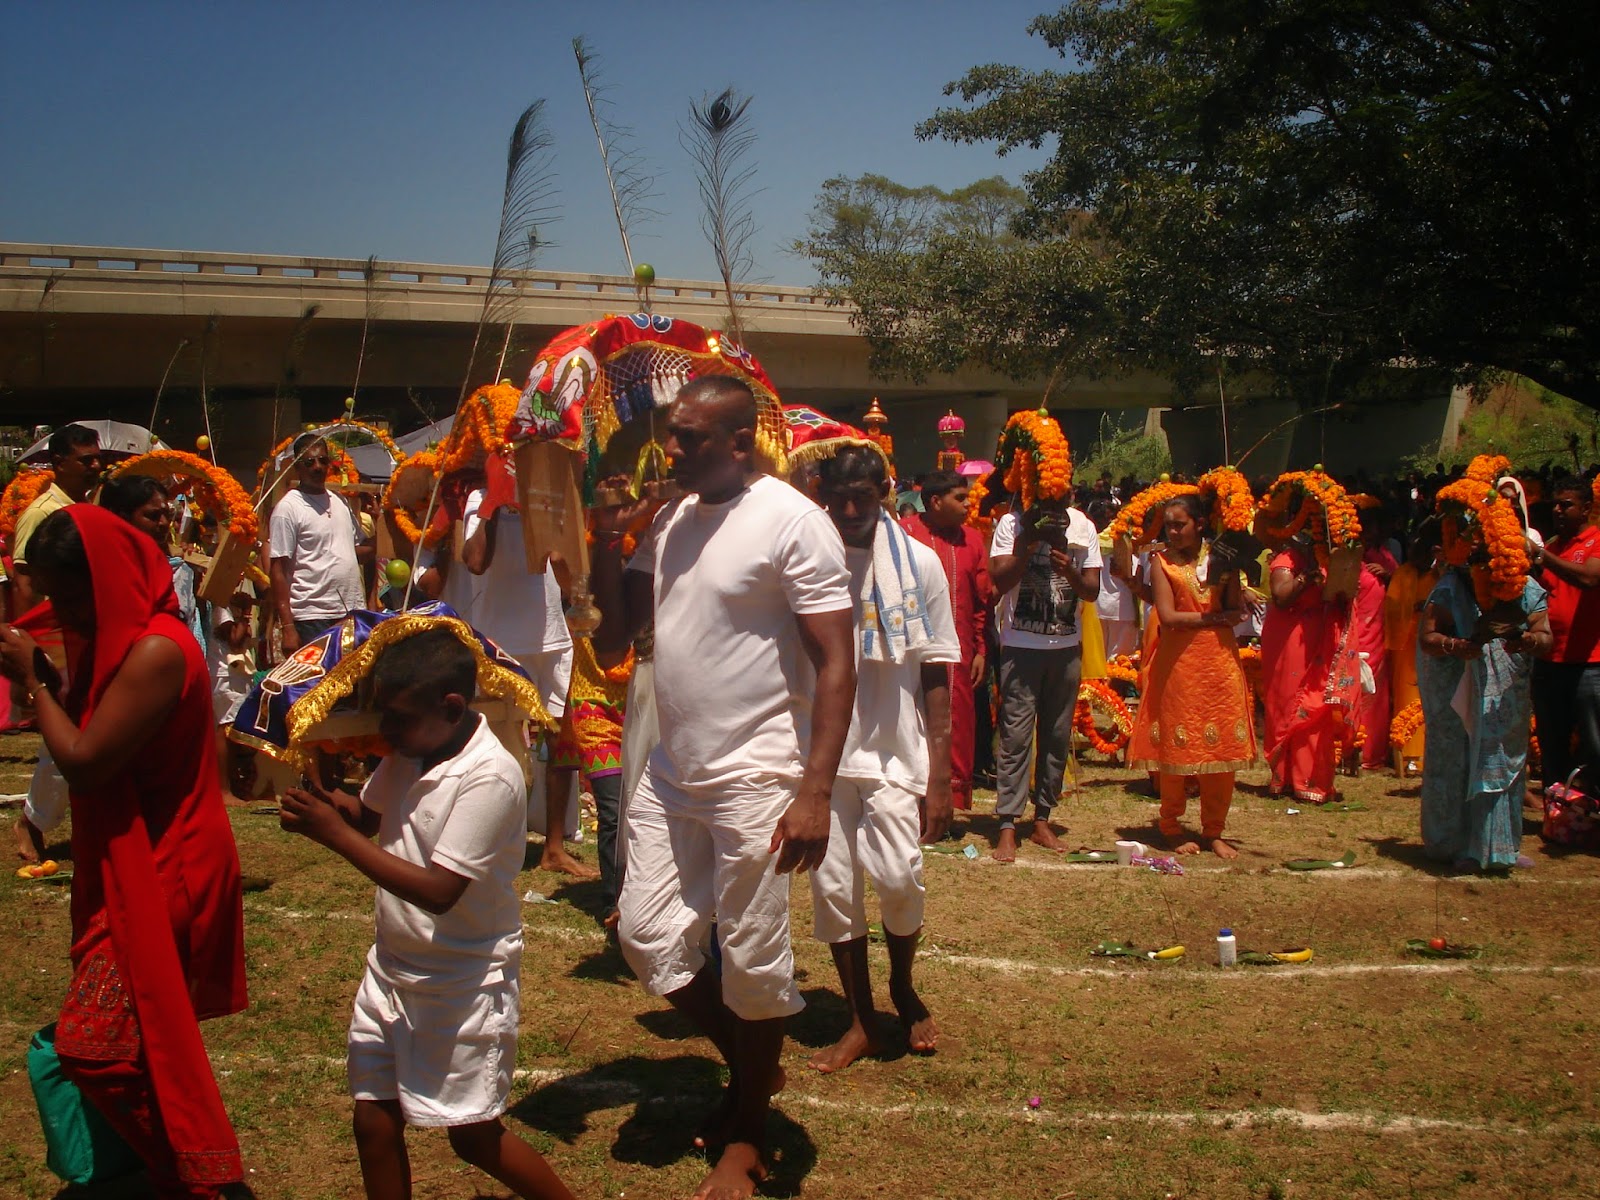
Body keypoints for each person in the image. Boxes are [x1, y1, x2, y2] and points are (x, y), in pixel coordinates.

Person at [592, 376, 855, 1200]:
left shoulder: (792, 522)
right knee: (643, 935)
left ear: (739, 442)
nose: (669, 452)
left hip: (760, 777)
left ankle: (746, 1133)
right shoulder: (667, 522)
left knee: (751, 956)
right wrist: (607, 541)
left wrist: (813, 792)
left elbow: (836, 661)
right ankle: (750, 1069)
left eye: (688, 438)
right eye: (671, 435)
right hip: (674, 772)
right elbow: (616, 633)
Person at [0, 506, 247, 1197]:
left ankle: (190, 1171)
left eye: (74, 595)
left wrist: (35, 682)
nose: (67, 611)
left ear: (107, 580)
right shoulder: (121, 639)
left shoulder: (157, 650)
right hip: (138, 858)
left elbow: (83, 761)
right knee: (129, 1039)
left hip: (169, 864)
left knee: (94, 1043)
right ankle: (171, 1168)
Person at [278, 626, 575, 1200]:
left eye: (397, 718)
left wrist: (335, 837)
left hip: (462, 980)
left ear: (452, 707)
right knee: (374, 1120)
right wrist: (321, 803)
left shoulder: (490, 776)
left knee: (473, 1136)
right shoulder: (416, 748)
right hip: (392, 968)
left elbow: (440, 891)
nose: (385, 732)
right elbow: (369, 817)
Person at [808, 445, 957, 1072]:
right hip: (821, 756)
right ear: (821, 493)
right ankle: (862, 1016)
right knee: (835, 889)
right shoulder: (807, 558)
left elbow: (935, 667)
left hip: (894, 751)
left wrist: (941, 772)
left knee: (900, 879)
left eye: (861, 498)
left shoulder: (919, 564)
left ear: (885, 491)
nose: (848, 511)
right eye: (837, 498)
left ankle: (901, 983)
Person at [457, 472, 583, 877]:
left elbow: (567, 579)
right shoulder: (479, 498)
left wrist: (556, 545)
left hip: (551, 636)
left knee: (562, 738)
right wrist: (494, 503)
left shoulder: (545, 492)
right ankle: (491, 839)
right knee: (492, 742)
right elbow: (475, 561)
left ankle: (554, 847)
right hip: (499, 639)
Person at [1126, 496, 1254, 858]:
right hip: (1179, 664)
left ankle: (1214, 830)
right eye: (1168, 525)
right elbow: (1168, 617)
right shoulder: (1160, 563)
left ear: (1200, 524)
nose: (1172, 531)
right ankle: (1170, 825)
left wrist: (1232, 574)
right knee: (1177, 747)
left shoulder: (1219, 557)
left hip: (1219, 664)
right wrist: (1214, 620)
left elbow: (1232, 610)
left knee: (1220, 747)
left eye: (1179, 524)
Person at [987, 492, 1102, 860]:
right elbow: (998, 583)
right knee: (1016, 735)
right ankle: (1007, 823)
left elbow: (1092, 590)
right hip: (1021, 648)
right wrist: (1026, 544)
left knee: (1055, 735)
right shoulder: (1011, 523)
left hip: (1066, 648)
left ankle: (1042, 819)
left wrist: (1069, 568)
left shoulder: (1083, 525)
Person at [1417, 563, 1551, 870]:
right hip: (1459, 690)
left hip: (1506, 694)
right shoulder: (1453, 587)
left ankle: (1501, 848)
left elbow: (1545, 636)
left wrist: (1528, 640)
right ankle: (1457, 845)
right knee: (1459, 760)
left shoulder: (1524, 585)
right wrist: (1456, 646)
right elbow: (1428, 638)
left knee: (1504, 760)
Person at [900, 469, 991, 812]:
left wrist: (981, 648)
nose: (968, 505)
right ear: (935, 501)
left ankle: (946, 803)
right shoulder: (903, 533)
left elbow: (982, 601)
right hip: (907, 648)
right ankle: (911, 800)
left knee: (955, 718)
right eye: (960, 498)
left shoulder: (972, 540)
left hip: (958, 649)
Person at [1261, 535, 1350, 803]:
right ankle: (1286, 777)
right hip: (1290, 641)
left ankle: (1312, 779)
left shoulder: (1328, 557)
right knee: (1289, 705)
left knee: (1317, 706)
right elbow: (1280, 596)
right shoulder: (1287, 560)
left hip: (1319, 640)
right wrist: (1308, 577)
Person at [268, 434, 370, 655]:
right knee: (320, 687)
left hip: (350, 613)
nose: (318, 467)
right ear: (297, 467)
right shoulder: (288, 509)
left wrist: (386, 522)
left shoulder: (339, 501)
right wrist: (288, 628)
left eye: (323, 460)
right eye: (310, 462)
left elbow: (354, 552)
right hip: (312, 617)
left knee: (350, 686)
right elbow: (277, 570)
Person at [1529, 477, 1600, 788]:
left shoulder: (1596, 540)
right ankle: (1558, 815)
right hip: (1549, 662)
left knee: (1595, 745)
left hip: (1589, 664)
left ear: (1586, 508)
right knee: (1551, 744)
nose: (1557, 510)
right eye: (1555, 504)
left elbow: (1589, 579)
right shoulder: (1555, 545)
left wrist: (1541, 556)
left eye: (1566, 504)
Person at [8, 424, 104, 617]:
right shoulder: (40, 512)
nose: (96, 466)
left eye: (97, 458)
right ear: (60, 463)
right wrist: (30, 638)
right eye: (86, 460)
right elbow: (23, 584)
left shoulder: (91, 509)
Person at [1385, 527, 1442, 766]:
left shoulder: (1439, 576)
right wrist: (1411, 608)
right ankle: (1406, 751)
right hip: (1405, 644)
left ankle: (1428, 754)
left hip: (1430, 642)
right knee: (1405, 696)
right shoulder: (1403, 573)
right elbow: (1390, 607)